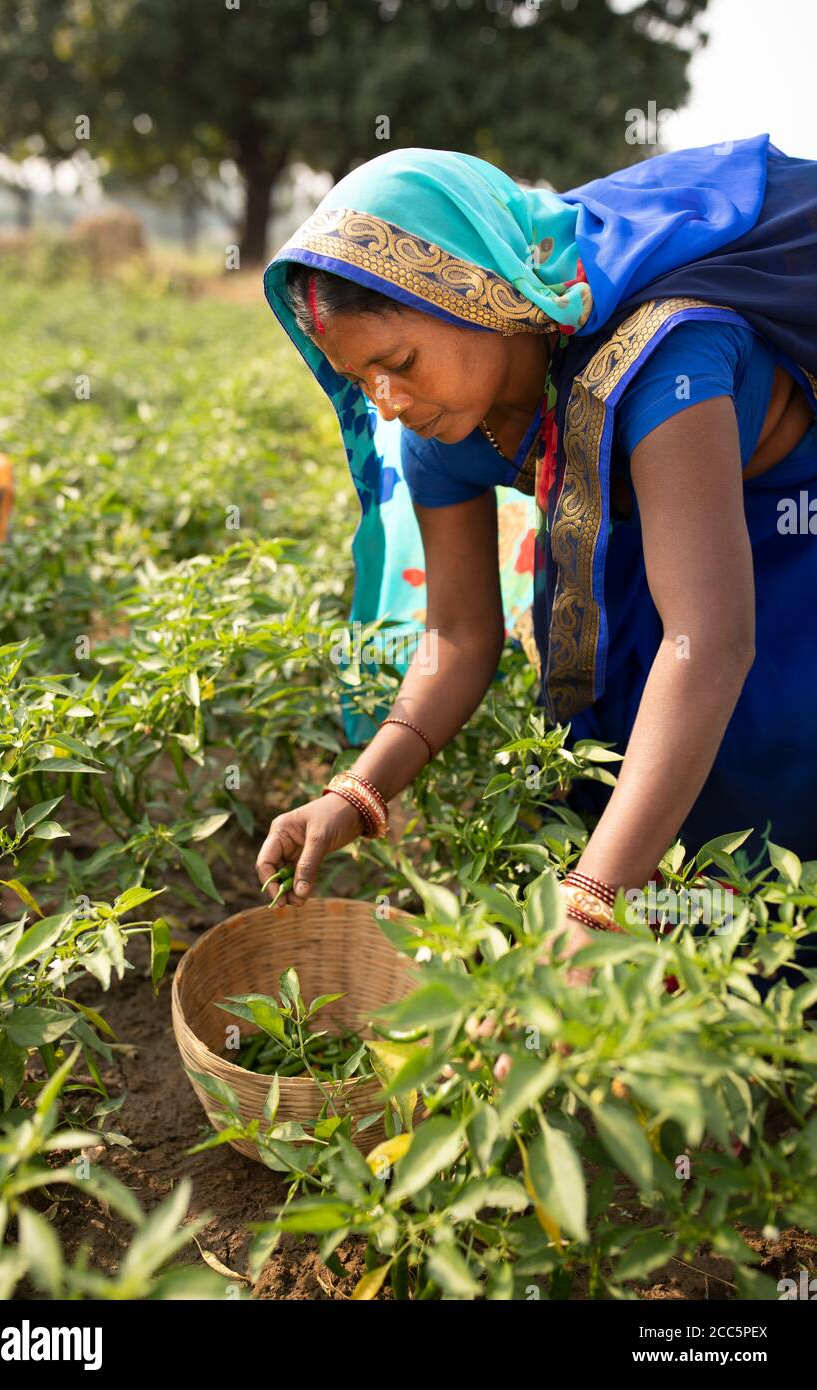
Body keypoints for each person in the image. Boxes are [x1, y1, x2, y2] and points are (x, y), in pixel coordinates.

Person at [257, 135, 817, 972]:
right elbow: (458, 637)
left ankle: (773, 1001)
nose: (390, 401)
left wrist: (588, 902)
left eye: (400, 362)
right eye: (364, 380)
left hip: (775, 533)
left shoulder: (667, 354)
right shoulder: (446, 427)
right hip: (640, 535)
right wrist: (359, 789)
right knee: (617, 742)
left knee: (765, 753)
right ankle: (659, 963)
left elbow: (709, 641)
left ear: (478, 288)